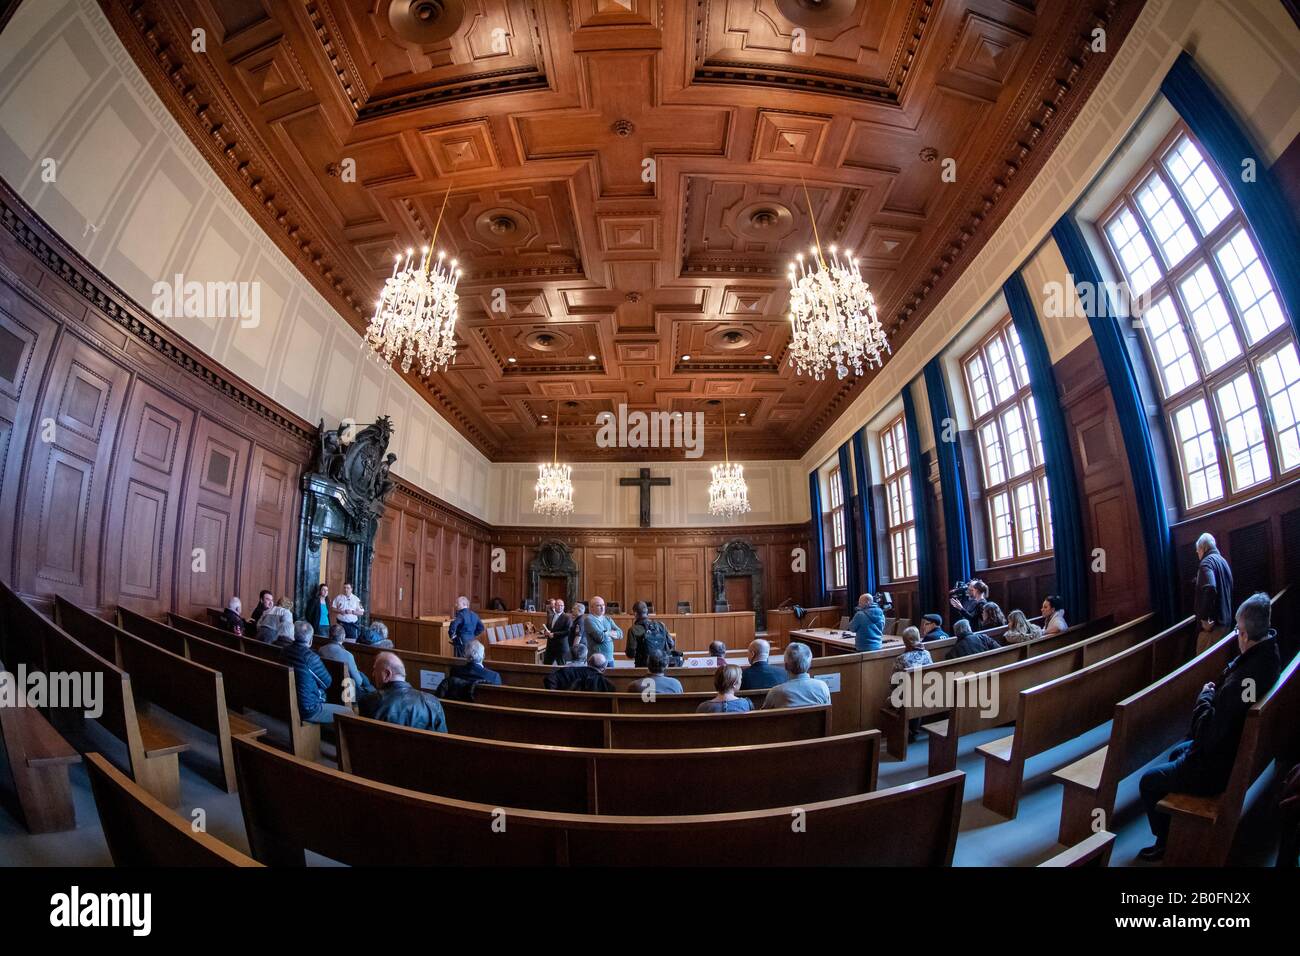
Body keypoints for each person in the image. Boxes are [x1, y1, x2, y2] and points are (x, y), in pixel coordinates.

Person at [1136, 593, 1280, 861]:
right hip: (1234, 749)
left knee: (1148, 782)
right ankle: (1176, 832)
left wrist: (1204, 697)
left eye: (1238, 630)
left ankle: (1165, 842)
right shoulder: (1270, 654)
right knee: (1176, 753)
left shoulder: (1242, 681)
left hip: (1218, 766)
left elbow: (1206, 736)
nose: (1237, 635)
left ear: (1246, 635)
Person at [280, 620, 350, 724]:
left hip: (288, 700)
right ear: (310, 640)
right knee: (349, 712)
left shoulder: (284, 651)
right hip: (309, 708)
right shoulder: (310, 658)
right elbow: (327, 682)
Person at [359, 652, 447, 732]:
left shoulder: (369, 701)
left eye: (375, 670)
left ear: (387, 674)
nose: (373, 674)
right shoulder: (433, 702)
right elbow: (443, 739)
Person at [1194, 532, 1235, 654]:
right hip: (1226, 622)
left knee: (1203, 667)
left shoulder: (1206, 563)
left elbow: (1210, 588)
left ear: (1203, 548)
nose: (1198, 554)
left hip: (1213, 628)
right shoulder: (1223, 561)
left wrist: (1205, 618)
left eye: (1197, 551)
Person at [762, 642, 831, 709]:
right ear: (809, 665)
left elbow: (762, 717)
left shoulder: (775, 692)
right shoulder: (822, 687)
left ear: (785, 666)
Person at [318, 623, 374, 696]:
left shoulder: (321, 650)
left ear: (329, 635)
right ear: (343, 637)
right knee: (363, 679)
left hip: (328, 689)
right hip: (346, 693)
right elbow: (358, 682)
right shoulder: (347, 655)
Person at [625, 601, 673, 668]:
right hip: (662, 665)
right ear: (647, 611)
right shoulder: (661, 625)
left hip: (643, 666)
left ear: (635, 613)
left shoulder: (633, 630)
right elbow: (671, 644)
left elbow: (630, 654)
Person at [544, 648, 615, 692]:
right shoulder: (606, 683)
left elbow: (549, 679)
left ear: (588, 662)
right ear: (603, 669)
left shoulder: (566, 671)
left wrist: (557, 697)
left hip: (567, 710)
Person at [583, 596, 623, 663]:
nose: (602, 608)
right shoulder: (589, 620)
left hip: (610, 658)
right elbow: (600, 638)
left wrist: (606, 633)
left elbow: (620, 633)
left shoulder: (608, 619)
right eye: (599, 605)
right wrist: (611, 634)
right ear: (592, 608)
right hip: (596, 660)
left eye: (603, 605)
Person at [542, 598, 573, 665]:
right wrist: (545, 632)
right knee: (546, 665)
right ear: (554, 606)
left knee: (561, 668)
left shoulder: (567, 617)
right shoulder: (551, 616)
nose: (560, 607)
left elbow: (568, 631)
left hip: (561, 647)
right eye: (558, 605)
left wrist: (554, 634)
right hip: (550, 646)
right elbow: (547, 628)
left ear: (564, 607)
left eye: (562, 605)